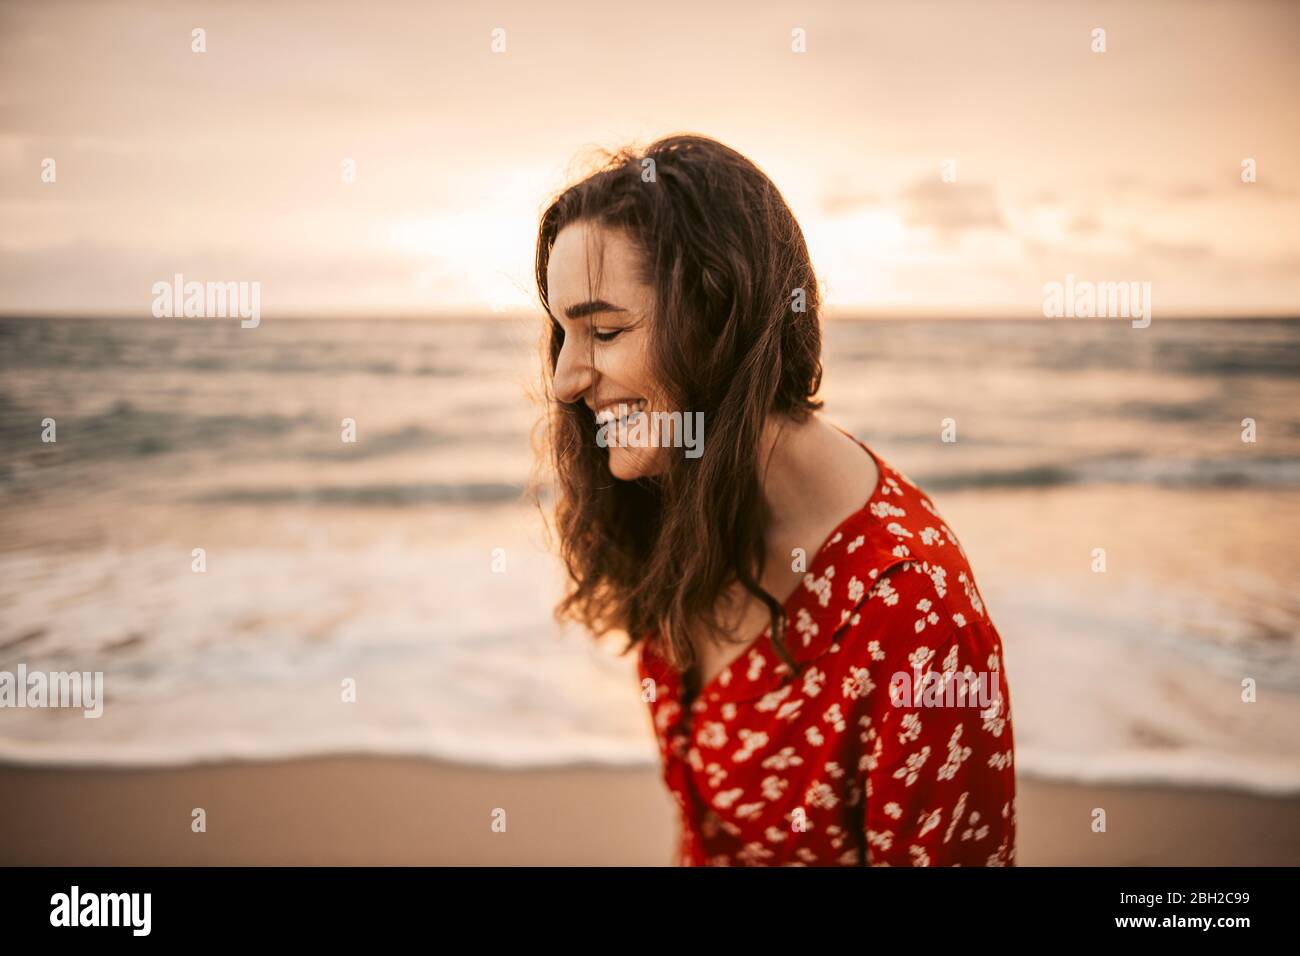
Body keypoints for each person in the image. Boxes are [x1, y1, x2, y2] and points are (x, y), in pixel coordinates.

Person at [533, 133, 1016, 866]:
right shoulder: (676, 499)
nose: (567, 378)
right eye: (562, 334)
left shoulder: (915, 616)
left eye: (604, 330)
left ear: (721, 316)